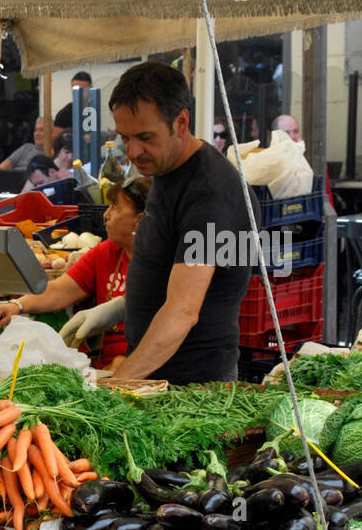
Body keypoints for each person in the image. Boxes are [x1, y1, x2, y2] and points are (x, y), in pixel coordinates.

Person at [97, 61, 257, 384]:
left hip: (193, 388)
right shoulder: (167, 169)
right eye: (125, 138)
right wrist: (121, 307)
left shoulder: (210, 195)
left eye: (145, 137)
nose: (133, 151)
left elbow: (183, 311)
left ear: (181, 122)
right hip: (156, 375)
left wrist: (118, 383)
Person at [0, 176, 151, 370]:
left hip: (147, 365)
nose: (106, 215)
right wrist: (17, 305)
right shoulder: (107, 252)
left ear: (138, 221)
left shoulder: (163, 262)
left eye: (115, 208)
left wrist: (129, 365)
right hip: (109, 368)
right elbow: (60, 290)